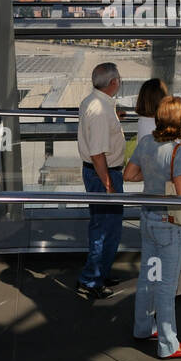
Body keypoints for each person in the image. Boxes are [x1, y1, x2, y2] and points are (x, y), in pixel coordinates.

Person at [123, 97, 181, 358]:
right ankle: (168, 344)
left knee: (147, 279)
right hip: (168, 225)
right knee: (166, 286)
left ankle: (143, 328)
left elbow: (129, 175)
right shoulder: (178, 151)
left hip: (147, 221)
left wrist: (154, 175)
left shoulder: (146, 143)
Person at [132, 78, 181, 300]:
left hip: (149, 209)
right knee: (179, 253)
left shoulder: (146, 128)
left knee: (150, 267)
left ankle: (144, 323)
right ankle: (176, 293)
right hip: (170, 213)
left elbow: (130, 173)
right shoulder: (173, 144)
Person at [76, 61, 126, 300]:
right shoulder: (99, 110)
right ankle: (90, 280)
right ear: (113, 82)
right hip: (103, 174)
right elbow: (97, 154)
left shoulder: (96, 103)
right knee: (103, 229)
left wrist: (115, 120)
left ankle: (100, 273)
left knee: (108, 228)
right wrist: (109, 186)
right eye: (119, 79)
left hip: (102, 173)